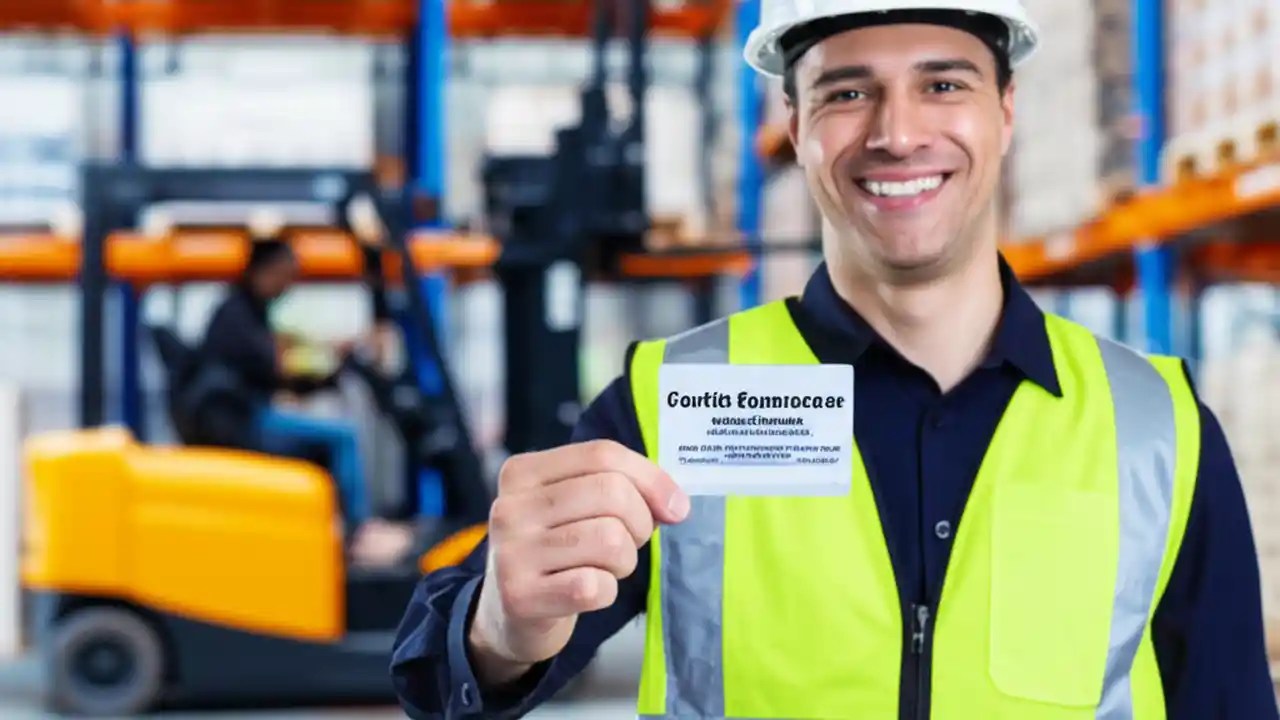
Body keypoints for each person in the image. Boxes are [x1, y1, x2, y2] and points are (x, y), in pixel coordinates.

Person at [389, 1, 1279, 718]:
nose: (897, 132)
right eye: (848, 93)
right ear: (798, 124)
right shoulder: (681, 402)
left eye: (942, 83)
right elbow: (443, 680)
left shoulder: (1156, 426)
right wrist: (502, 628)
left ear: (1006, 112)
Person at [199, 234, 370, 524]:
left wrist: (326, 376)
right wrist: (325, 372)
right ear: (263, 271)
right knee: (343, 436)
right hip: (242, 420)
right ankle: (359, 530)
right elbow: (277, 372)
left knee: (326, 436)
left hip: (246, 413)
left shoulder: (250, 313)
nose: (287, 286)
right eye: (284, 275)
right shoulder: (236, 316)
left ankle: (333, 523)